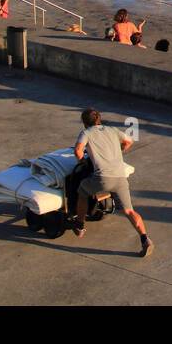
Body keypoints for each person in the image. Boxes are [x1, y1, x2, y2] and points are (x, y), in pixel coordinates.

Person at [71, 109, 154, 257]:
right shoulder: (112, 129)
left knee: (82, 191)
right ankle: (145, 239)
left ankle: (80, 225)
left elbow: (77, 150)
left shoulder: (87, 133)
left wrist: (83, 162)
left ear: (85, 122)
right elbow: (129, 141)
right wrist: (120, 151)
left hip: (102, 178)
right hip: (120, 177)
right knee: (129, 211)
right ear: (99, 119)